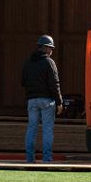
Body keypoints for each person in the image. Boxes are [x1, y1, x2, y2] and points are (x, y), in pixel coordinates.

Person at [21, 34, 62, 163]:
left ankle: (29, 159)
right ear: (44, 48)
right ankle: (47, 159)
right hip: (47, 101)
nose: (51, 51)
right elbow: (55, 84)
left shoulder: (28, 62)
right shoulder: (49, 62)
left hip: (32, 100)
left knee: (31, 128)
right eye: (50, 48)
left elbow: (23, 82)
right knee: (47, 130)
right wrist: (59, 102)